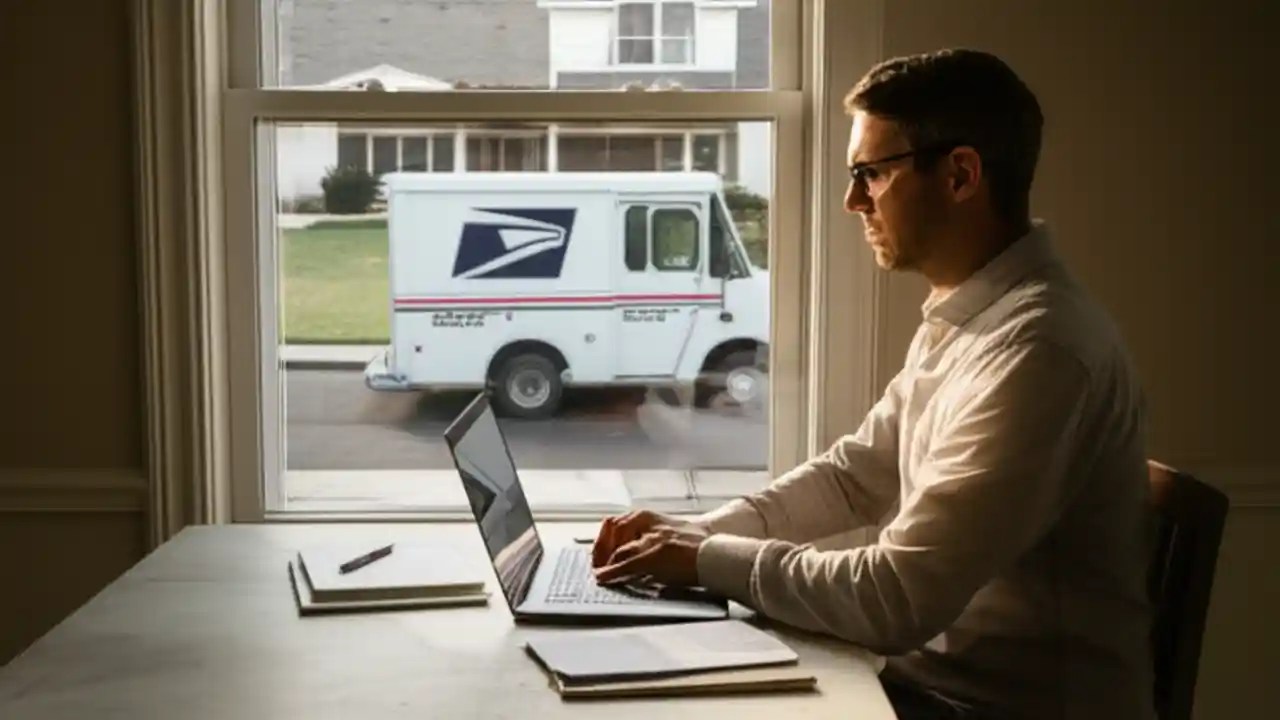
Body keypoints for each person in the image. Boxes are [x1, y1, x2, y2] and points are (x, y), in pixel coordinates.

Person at [591, 49, 1154, 720]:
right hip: (928, 690)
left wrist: (706, 557)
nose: (851, 200)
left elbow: (897, 599)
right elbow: (853, 477)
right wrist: (690, 537)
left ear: (960, 175)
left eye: (870, 174)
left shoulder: (1041, 351)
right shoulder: (971, 316)